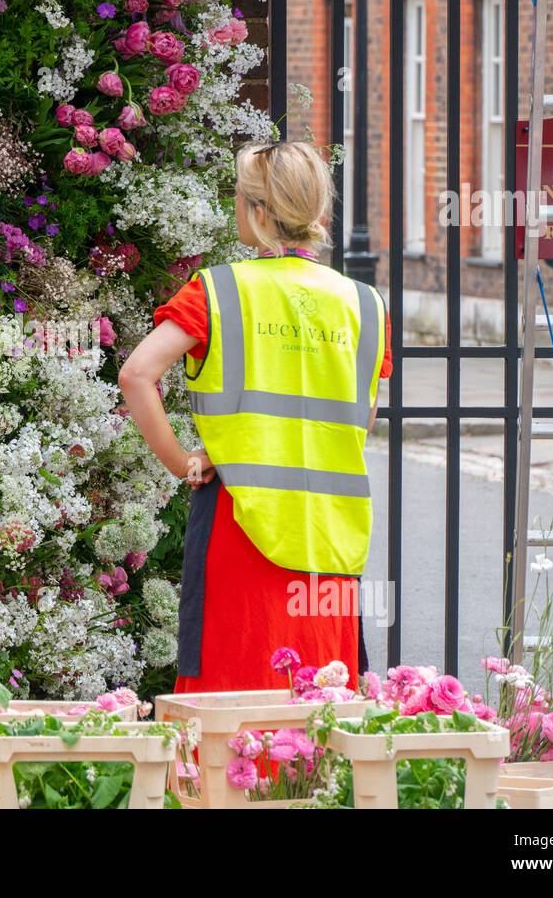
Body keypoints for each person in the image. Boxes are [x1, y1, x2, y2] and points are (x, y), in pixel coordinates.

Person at [118, 141, 392, 692]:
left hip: (240, 521)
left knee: (234, 694)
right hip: (331, 532)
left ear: (261, 213)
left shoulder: (218, 291)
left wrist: (183, 463)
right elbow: (361, 420)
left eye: (241, 200)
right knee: (320, 699)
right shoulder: (364, 303)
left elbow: (136, 375)